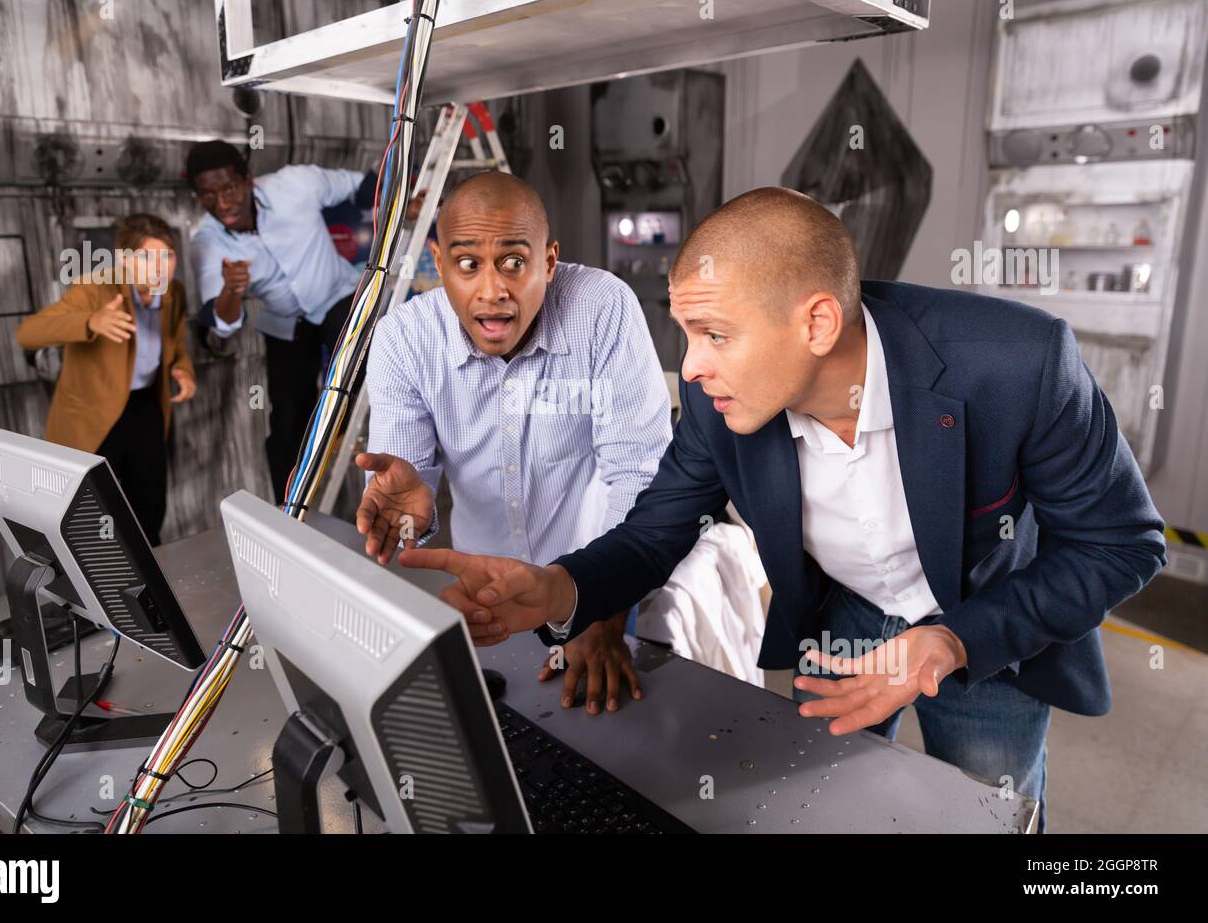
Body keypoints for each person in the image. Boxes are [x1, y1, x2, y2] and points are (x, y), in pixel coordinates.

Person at [400, 187, 1166, 829]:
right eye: (685, 334)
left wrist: (953, 643)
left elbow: (1122, 544)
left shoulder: (1017, 363)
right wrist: (559, 588)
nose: (691, 366)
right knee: (811, 802)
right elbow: (654, 532)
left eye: (713, 335)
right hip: (847, 613)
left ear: (818, 323)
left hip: (989, 615)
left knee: (985, 809)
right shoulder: (717, 400)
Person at [354, 172, 672, 714]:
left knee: (606, 737)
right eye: (468, 264)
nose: (492, 290)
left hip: (597, 573)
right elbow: (406, 494)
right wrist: (412, 516)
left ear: (548, 261)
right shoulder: (404, 339)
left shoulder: (602, 309)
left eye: (514, 262)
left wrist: (595, 607)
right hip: (485, 590)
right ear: (439, 261)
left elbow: (638, 475)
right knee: (510, 725)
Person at [186, 140, 376, 500]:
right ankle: (287, 514)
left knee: (364, 378)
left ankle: (349, 434)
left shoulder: (295, 184)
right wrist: (230, 291)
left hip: (337, 298)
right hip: (285, 323)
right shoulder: (206, 242)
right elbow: (221, 321)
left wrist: (404, 202)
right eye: (208, 195)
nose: (222, 203)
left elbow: (366, 186)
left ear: (248, 180)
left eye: (229, 188)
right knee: (287, 422)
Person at [16, 213, 196, 545]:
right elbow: (28, 334)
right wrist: (90, 321)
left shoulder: (174, 294)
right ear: (125, 260)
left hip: (145, 409)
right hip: (94, 415)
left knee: (149, 508)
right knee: (96, 516)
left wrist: (181, 369)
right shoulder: (94, 288)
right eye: (147, 257)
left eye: (167, 256)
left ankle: (148, 589)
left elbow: (174, 340)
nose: (160, 267)